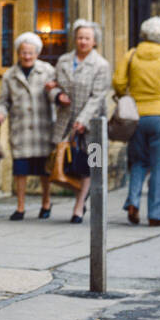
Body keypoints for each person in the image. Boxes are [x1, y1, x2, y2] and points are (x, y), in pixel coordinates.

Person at [114, 16, 160, 226]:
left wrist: (128, 97)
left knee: (138, 162)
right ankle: (155, 214)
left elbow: (118, 82)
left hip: (136, 115)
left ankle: (133, 202)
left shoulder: (132, 55)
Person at [50, 20, 111, 223]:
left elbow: (98, 96)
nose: (83, 41)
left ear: (94, 41)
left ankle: (79, 206)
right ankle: (80, 198)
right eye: (80, 38)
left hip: (93, 122)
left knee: (90, 163)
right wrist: (58, 95)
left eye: (87, 38)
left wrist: (83, 120)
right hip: (66, 119)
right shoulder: (64, 61)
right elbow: (52, 85)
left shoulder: (101, 65)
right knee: (69, 161)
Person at [0, 32, 57, 219]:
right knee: (20, 170)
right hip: (21, 130)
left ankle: (46, 203)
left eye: (30, 53)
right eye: (23, 52)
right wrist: (0, 113)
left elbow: (57, 94)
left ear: (37, 53)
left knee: (44, 170)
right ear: (18, 53)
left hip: (43, 128)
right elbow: (2, 101)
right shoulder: (10, 76)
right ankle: (20, 207)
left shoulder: (47, 71)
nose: (27, 56)